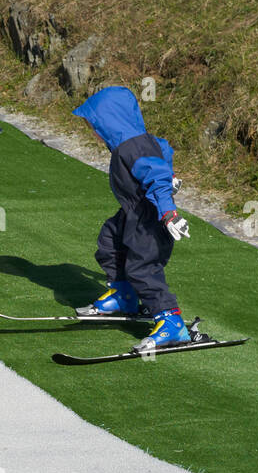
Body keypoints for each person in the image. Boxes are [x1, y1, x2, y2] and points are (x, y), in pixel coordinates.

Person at [71, 86, 193, 350]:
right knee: (110, 240)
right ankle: (124, 296)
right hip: (132, 212)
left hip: (149, 219)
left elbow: (156, 174)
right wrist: (170, 174)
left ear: (111, 120)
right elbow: (164, 150)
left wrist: (168, 212)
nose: (93, 129)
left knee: (143, 268)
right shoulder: (133, 143)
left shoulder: (132, 147)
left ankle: (172, 322)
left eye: (95, 123)